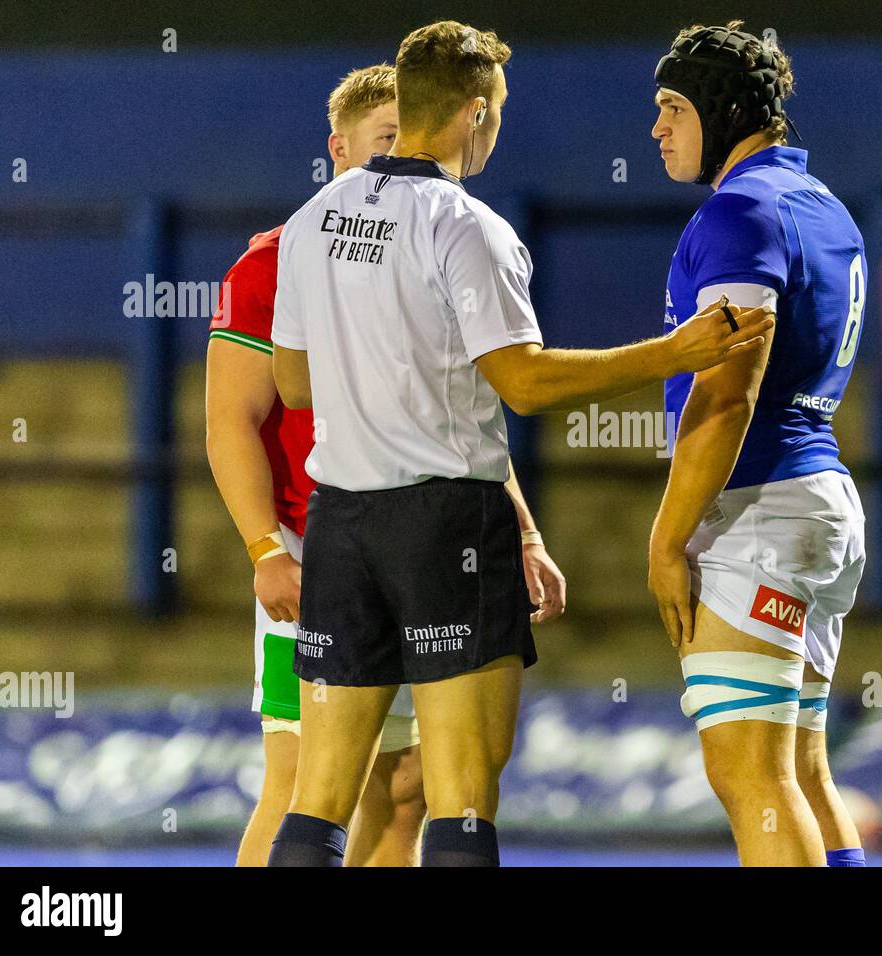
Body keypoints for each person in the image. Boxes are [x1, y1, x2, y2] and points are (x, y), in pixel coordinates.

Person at [267, 19, 773, 867]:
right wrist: (673, 353)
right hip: (445, 526)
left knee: (318, 798)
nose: (498, 127)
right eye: (496, 111)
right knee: (459, 793)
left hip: (342, 525)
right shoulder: (467, 228)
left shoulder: (313, 218)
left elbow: (293, 383)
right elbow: (527, 384)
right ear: (472, 113)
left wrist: (383, 367)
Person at [205, 62, 567, 866]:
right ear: (337, 148)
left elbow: (454, 409)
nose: (402, 152)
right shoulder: (275, 260)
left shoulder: (413, 241)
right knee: (307, 779)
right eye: (384, 139)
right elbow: (230, 422)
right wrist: (265, 548)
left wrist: (528, 533)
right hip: (314, 552)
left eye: (408, 134)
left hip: (386, 532)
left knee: (406, 789)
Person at [647, 21, 869, 867]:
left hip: (760, 509)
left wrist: (668, 536)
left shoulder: (741, 210)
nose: (658, 129)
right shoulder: (824, 207)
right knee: (803, 773)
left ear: (719, 107)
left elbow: (730, 385)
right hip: (817, 501)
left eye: (671, 107)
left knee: (752, 777)